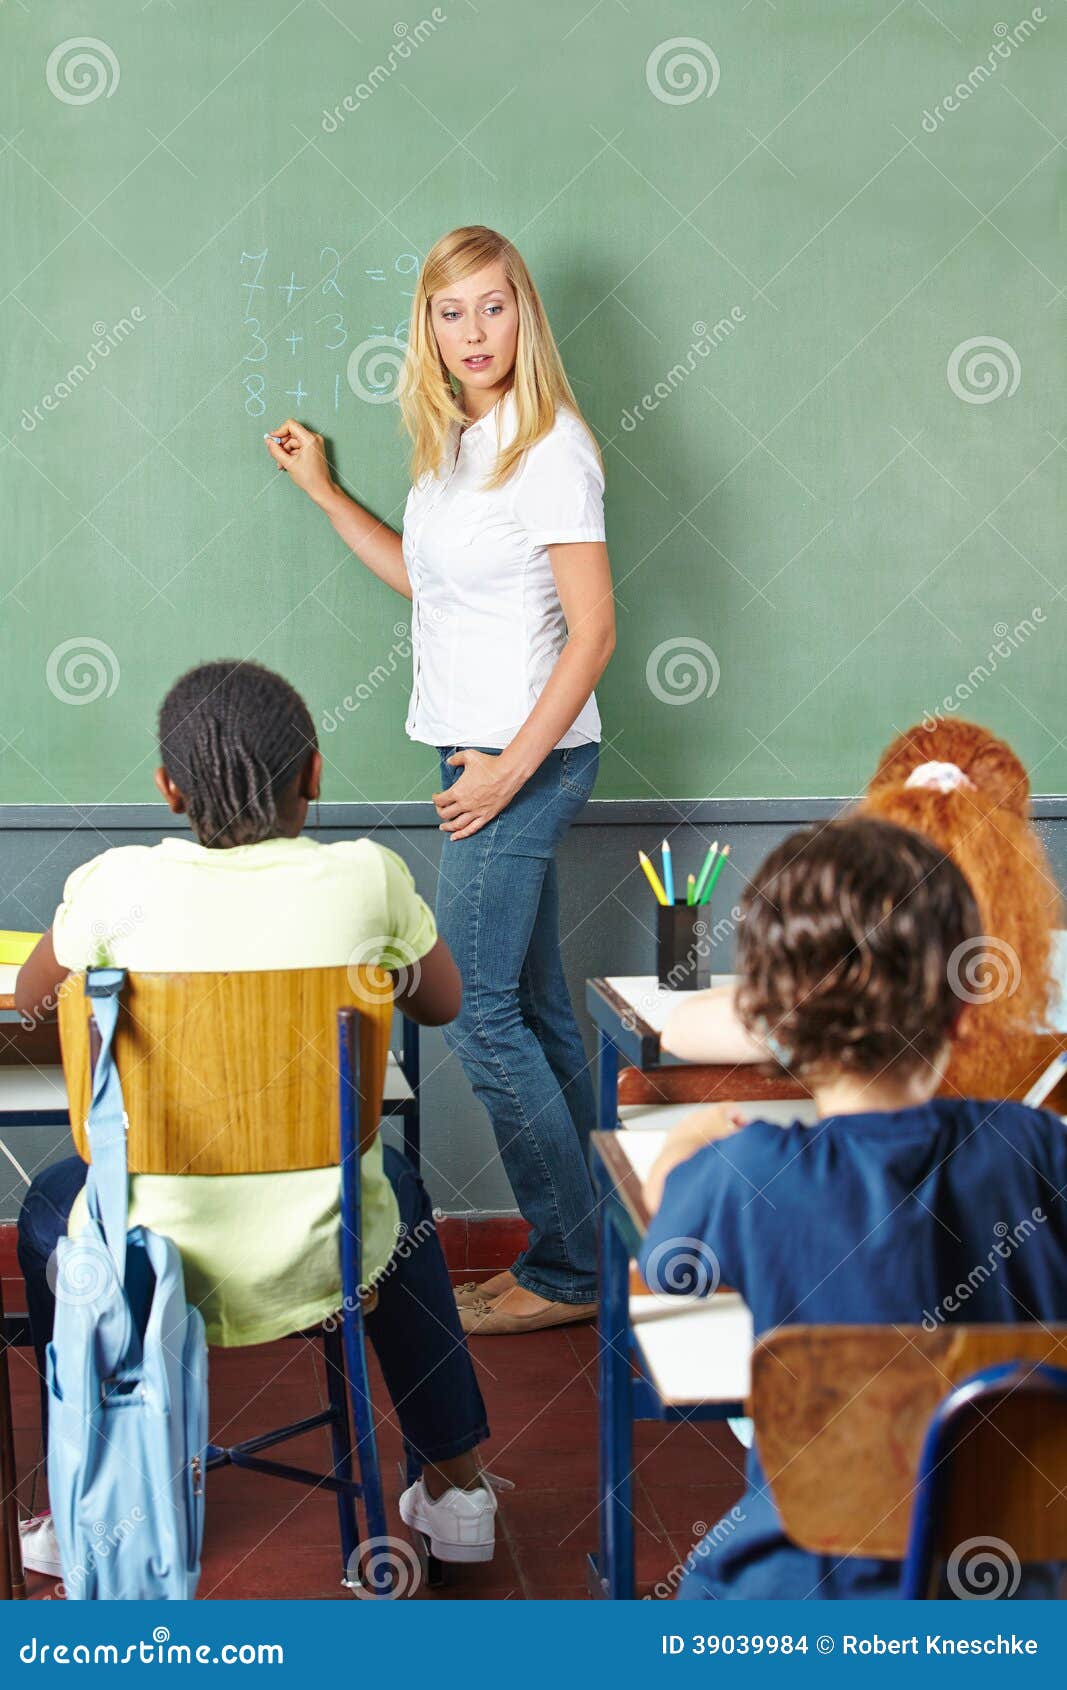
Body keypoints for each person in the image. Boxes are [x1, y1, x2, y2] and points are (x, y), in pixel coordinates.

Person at [15, 659, 496, 1577]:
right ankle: (457, 1487)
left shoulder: (113, 884)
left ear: (167, 789)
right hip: (324, 1254)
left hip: (146, 1259)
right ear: (313, 773)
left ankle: (79, 1497)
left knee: (51, 1207)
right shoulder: (369, 876)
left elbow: (37, 1000)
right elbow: (441, 1004)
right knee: (390, 1186)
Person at [266, 225, 616, 1335]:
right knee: (542, 1016)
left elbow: (596, 631)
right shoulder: (460, 443)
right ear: (427, 327)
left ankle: (565, 1270)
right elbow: (431, 587)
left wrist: (510, 770)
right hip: (481, 749)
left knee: (480, 1019)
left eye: (494, 306)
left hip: (524, 757)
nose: (474, 332)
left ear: (526, 314)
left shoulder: (548, 445)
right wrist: (326, 495)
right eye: (451, 312)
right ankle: (601, 1248)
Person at [641, 814, 1067, 1598]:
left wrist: (685, 1142)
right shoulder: (1036, 1147)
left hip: (805, 1581)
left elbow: (668, 1269)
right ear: (965, 1007)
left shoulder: (744, 1173)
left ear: (770, 1019)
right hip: (1021, 1577)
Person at [662, 719, 1062, 1099]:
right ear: (1017, 840)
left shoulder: (863, 984)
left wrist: (789, 986)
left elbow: (679, 1031)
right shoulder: (1037, 972)